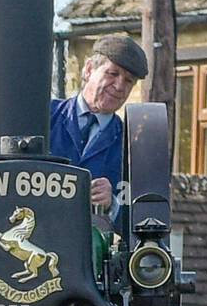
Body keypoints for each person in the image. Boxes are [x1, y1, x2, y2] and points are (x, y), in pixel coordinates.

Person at [50, 34, 148, 214]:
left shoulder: (130, 146)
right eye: (113, 73)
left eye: (129, 81)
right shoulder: (45, 117)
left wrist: (112, 204)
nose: (119, 86)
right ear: (88, 70)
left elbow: (142, 216)